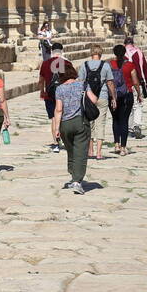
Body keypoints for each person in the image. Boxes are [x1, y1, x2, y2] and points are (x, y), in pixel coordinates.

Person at [51, 65, 96, 194]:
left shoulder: (59, 89)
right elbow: (93, 100)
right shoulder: (82, 85)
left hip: (65, 124)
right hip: (80, 122)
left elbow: (59, 109)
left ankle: (72, 175)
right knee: (80, 152)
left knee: (71, 151)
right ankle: (77, 180)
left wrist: (57, 128)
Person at [79, 46, 115, 161]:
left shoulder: (84, 65)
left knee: (90, 124)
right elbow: (110, 83)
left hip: (89, 97)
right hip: (102, 96)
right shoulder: (106, 65)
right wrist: (113, 97)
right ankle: (99, 153)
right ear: (101, 53)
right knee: (101, 124)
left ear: (91, 53)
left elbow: (80, 82)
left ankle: (90, 151)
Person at [109, 44, 142, 154]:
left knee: (115, 119)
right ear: (124, 53)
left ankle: (116, 144)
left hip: (113, 95)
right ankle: (123, 147)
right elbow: (136, 82)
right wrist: (139, 94)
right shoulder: (130, 65)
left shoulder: (110, 64)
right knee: (124, 120)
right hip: (127, 94)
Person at [38, 42, 70, 151]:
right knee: (63, 116)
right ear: (61, 51)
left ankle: (56, 143)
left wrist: (42, 91)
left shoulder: (46, 63)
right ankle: (64, 140)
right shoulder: (66, 63)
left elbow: (41, 80)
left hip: (49, 94)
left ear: (52, 51)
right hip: (63, 93)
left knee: (53, 118)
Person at [123, 35, 147, 142]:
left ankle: (129, 128)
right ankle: (137, 125)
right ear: (132, 44)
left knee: (128, 106)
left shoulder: (122, 54)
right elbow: (145, 68)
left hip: (126, 84)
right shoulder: (139, 52)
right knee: (138, 105)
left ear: (125, 44)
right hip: (138, 82)